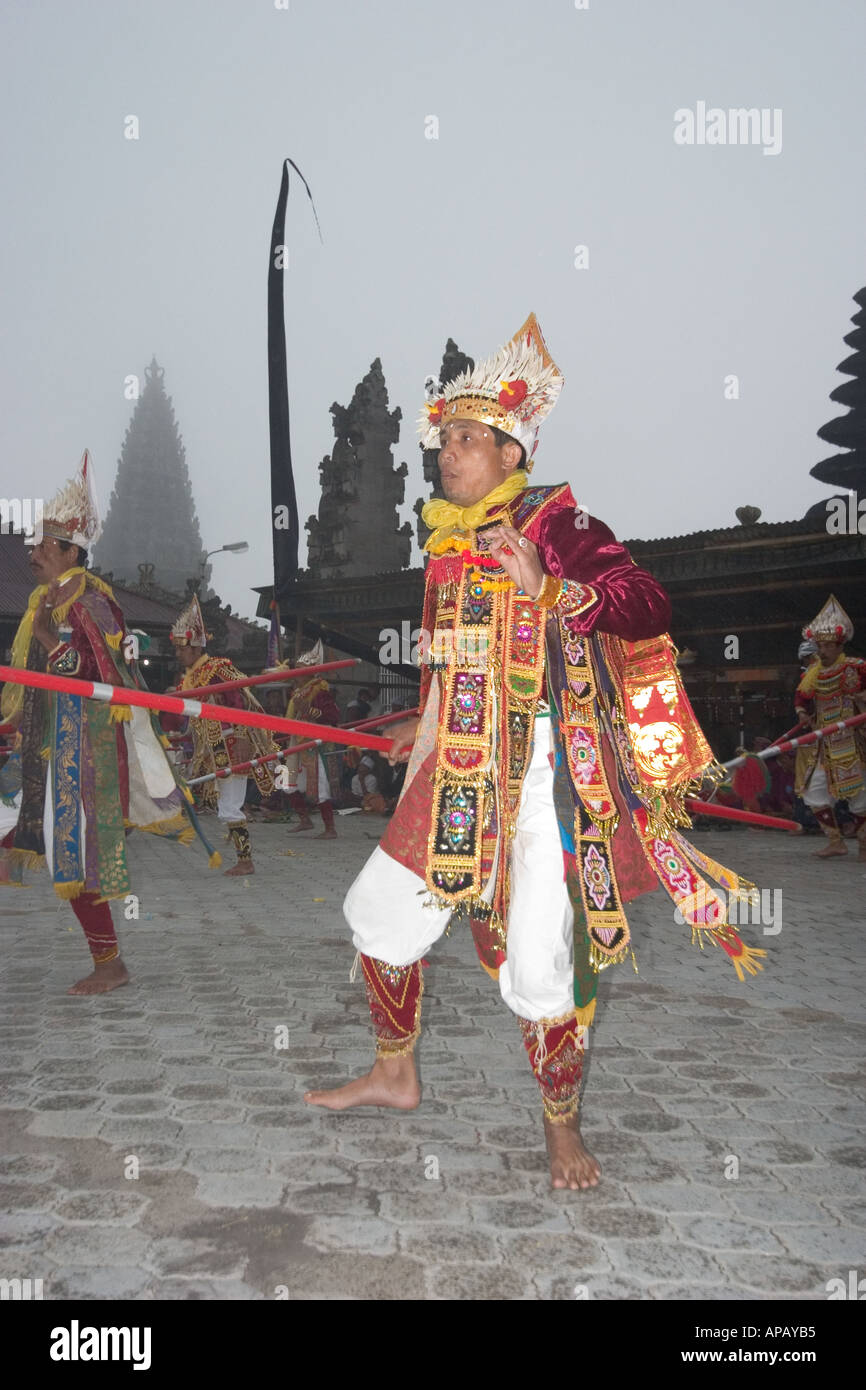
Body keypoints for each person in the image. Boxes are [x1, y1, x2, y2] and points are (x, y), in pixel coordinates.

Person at [305, 315, 764, 1190]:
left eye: (467, 440)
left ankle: (560, 1130)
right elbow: (452, 666)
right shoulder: (446, 548)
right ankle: (395, 1073)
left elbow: (647, 602)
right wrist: (424, 728)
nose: (448, 453)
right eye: (443, 440)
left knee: (541, 960)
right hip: (457, 773)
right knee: (378, 913)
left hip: (548, 776)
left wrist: (552, 588)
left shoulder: (561, 522)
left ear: (512, 453)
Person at [0, 452, 208, 992]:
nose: (34, 552)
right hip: (49, 746)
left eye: (45, 544)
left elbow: (98, 675)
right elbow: (37, 681)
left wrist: (49, 637)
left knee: (75, 852)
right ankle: (105, 960)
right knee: (38, 838)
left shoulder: (93, 602)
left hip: (86, 749)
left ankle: (109, 963)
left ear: (72, 551)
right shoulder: (45, 601)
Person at [169, 594, 278, 875]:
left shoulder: (218, 668)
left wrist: (242, 738)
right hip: (212, 748)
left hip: (231, 744)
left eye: (181, 648)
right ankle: (243, 858)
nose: (177, 654)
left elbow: (238, 703)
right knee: (226, 806)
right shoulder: (190, 677)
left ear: (194, 646)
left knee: (230, 806)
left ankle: (246, 861)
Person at [794, 596, 866, 860]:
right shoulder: (812, 673)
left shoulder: (856, 668)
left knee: (860, 796)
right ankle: (836, 842)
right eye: (819, 645)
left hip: (854, 742)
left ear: (838, 646)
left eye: (826, 646)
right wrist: (803, 713)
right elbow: (801, 697)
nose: (821, 651)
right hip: (824, 743)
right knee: (814, 793)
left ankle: (864, 845)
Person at [283, 641, 340, 839]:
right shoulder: (298, 693)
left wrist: (309, 711)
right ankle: (305, 820)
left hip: (316, 745)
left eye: (300, 670)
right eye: (295, 669)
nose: (295, 673)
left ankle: (330, 829)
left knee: (321, 787)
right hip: (297, 742)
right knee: (288, 783)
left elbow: (332, 717)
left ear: (310, 672)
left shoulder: (320, 690)